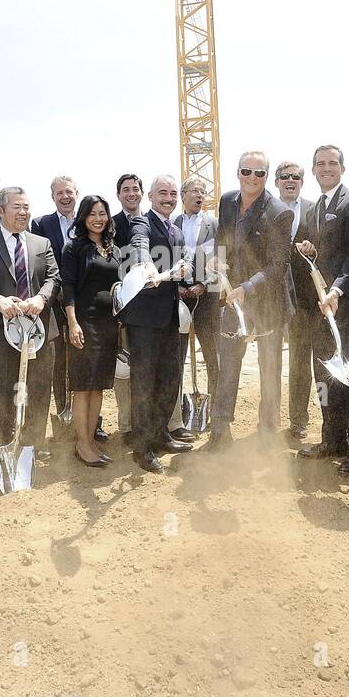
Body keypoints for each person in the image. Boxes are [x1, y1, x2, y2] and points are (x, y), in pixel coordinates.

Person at [204, 151, 295, 451]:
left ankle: (267, 431)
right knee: (227, 363)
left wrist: (246, 287)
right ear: (238, 173)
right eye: (247, 172)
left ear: (267, 177)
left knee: (269, 367)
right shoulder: (228, 201)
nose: (252, 178)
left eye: (259, 173)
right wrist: (216, 262)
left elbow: (278, 264)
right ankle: (220, 431)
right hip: (233, 299)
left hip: (266, 300)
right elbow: (221, 237)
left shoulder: (280, 212)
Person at [294, 144, 349, 474]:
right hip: (321, 305)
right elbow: (322, 252)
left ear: (342, 168)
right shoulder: (314, 209)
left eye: (332, 163)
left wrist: (338, 289)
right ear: (313, 170)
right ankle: (332, 439)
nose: (326, 168)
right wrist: (308, 248)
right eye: (320, 164)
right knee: (325, 374)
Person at [0, 187, 60, 456]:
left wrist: (41, 299)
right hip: (1, 334)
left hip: (40, 331)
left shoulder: (41, 243)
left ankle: (33, 446)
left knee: (39, 391)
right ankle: (3, 449)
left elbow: (54, 278)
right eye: (17, 207)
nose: (23, 212)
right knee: (4, 393)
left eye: (26, 207)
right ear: (0, 211)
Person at [121, 175, 191, 472]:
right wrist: (145, 262)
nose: (168, 197)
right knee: (144, 383)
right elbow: (138, 244)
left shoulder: (175, 230)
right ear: (150, 196)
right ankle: (142, 446)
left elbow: (182, 268)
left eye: (173, 193)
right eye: (162, 192)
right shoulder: (142, 223)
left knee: (168, 380)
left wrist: (189, 269)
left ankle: (161, 434)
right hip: (144, 321)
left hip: (169, 319)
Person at [60, 194, 121, 467]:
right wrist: (72, 323)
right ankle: (82, 444)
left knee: (99, 387)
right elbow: (68, 287)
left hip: (109, 324)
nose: (98, 218)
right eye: (93, 213)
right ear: (84, 217)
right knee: (83, 387)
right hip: (84, 322)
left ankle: (91, 440)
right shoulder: (73, 248)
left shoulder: (113, 249)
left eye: (103, 213)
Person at [31, 176, 78, 437]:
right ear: (53, 197)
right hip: (53, 304)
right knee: (58, 363)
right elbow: (40, 264)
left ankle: (89, 422)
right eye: (59, 193)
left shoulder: (86, 221)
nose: (65, 197)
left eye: (69, 192)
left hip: (81, 303)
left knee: (82, 363)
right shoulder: (41, 224)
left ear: (76, 194)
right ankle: (63, 417)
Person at [275, 160, 318, 443]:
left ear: (302, 181)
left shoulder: (315, 210)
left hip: (306, 299)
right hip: (274, 297)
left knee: (302, 361)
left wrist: (314, 251)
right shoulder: (266, 211)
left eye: (296, 177)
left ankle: (299, 420)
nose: (290, 181)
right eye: (285, 177)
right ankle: (268, 420)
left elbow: (328, 247)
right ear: (276, 182)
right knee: (271, 362)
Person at [174, 177, 219, 421]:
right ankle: (179, 413)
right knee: (178, 355)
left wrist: (205, 284)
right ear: (183, 196)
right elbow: (168, 260)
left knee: (213, 355)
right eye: (194, 190)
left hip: (207, 298)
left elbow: (222, 260)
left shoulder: (215, 224)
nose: (199, 195)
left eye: (203, 191)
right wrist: (177, 288)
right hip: (180, 297)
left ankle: (215, 413)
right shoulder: (173, 223)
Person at [111, 173, 145, 440]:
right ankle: (126, 425)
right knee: (124, 368)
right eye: (126, 189)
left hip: (152, 310)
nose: (131, 193)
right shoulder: (111, 225)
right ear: (119, 195)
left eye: (135, 189)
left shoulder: (153, 222)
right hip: (125, 309)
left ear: (142, 193)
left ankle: (146, 420)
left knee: (147, 367)